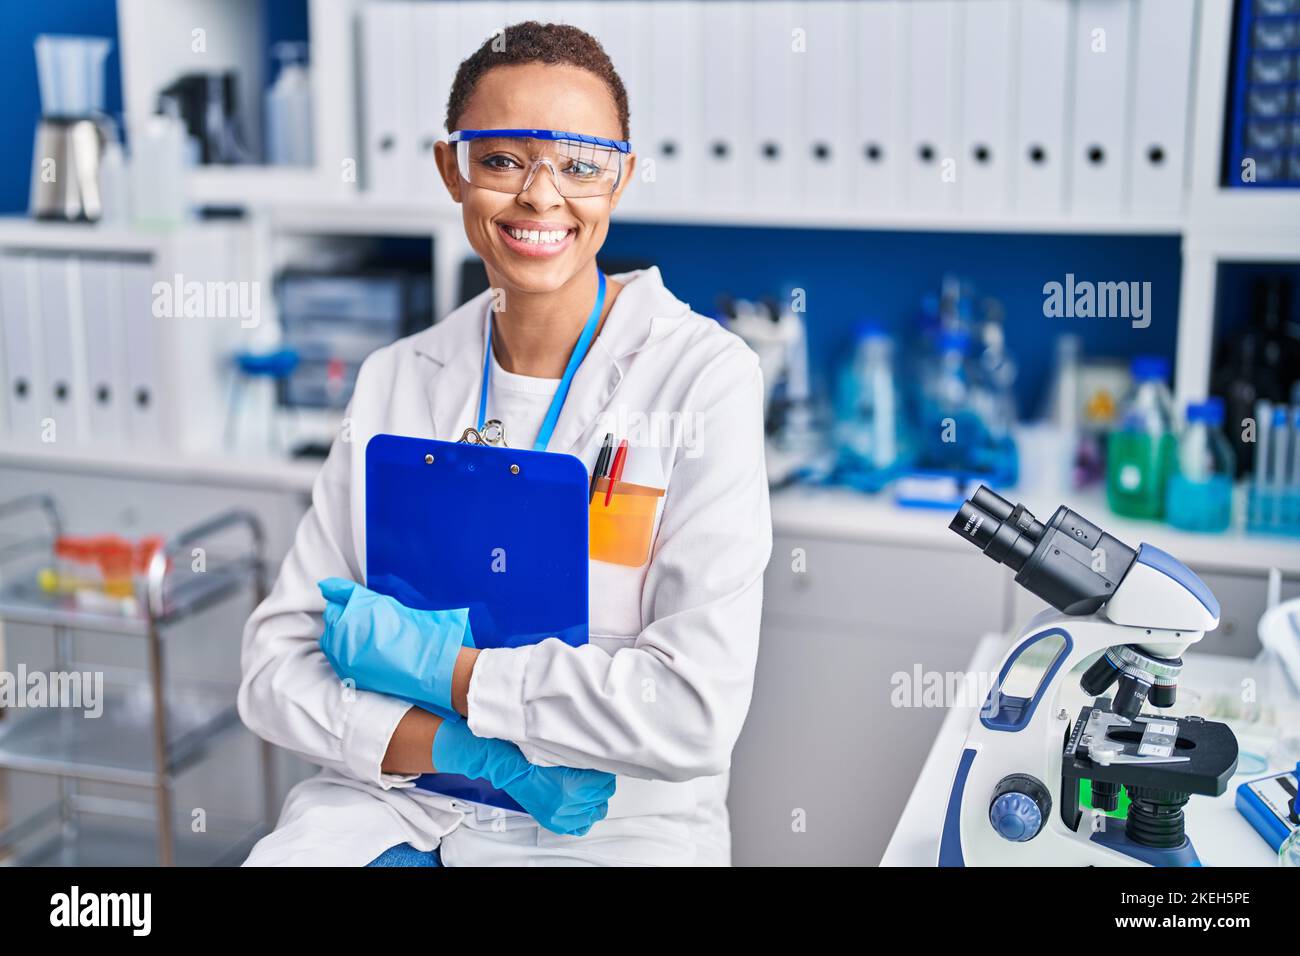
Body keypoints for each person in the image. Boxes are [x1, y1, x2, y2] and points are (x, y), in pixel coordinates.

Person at [239, 21, 771, 866]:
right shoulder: (395, 381)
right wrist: (453, 750)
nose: (540, 195)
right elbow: (274, 675)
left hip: (610, 828)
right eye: (503, 160)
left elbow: (690, 711)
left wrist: (448, 672)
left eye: (580, 163)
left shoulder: (702, 379)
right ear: (454, 169)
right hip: (397, 804)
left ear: (620, 178)